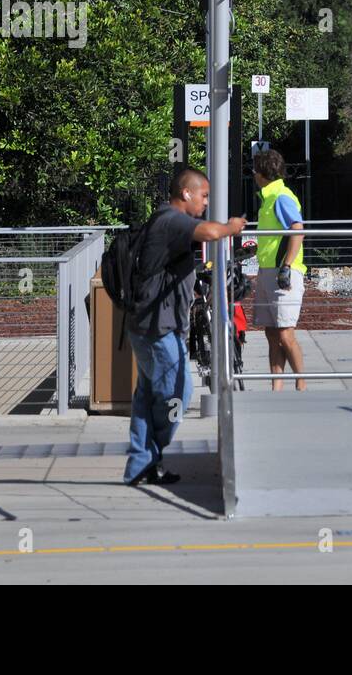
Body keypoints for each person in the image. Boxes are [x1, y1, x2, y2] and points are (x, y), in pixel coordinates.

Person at [123, 168, 246, 486]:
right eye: (204, 195)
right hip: (156, 328)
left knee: (148, 396)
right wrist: (230, 228)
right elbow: (208, 232)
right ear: (186, 193)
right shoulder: (171, 220)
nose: (206, 202)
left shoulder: (164, 221)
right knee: (178, 392)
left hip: (150, 324)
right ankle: (150, 454)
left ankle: (141, 463)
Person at [252, 149, 307, 391]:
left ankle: (302, 384)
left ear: (261, 173)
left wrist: (286, 266)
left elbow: (297, 229)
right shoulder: (268, 197)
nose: (253, 174)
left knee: (285, 333)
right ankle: (277, 387)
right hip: (267, 271)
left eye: (255, 170)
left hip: (283, 273)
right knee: (272, 334)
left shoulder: (281, 197)